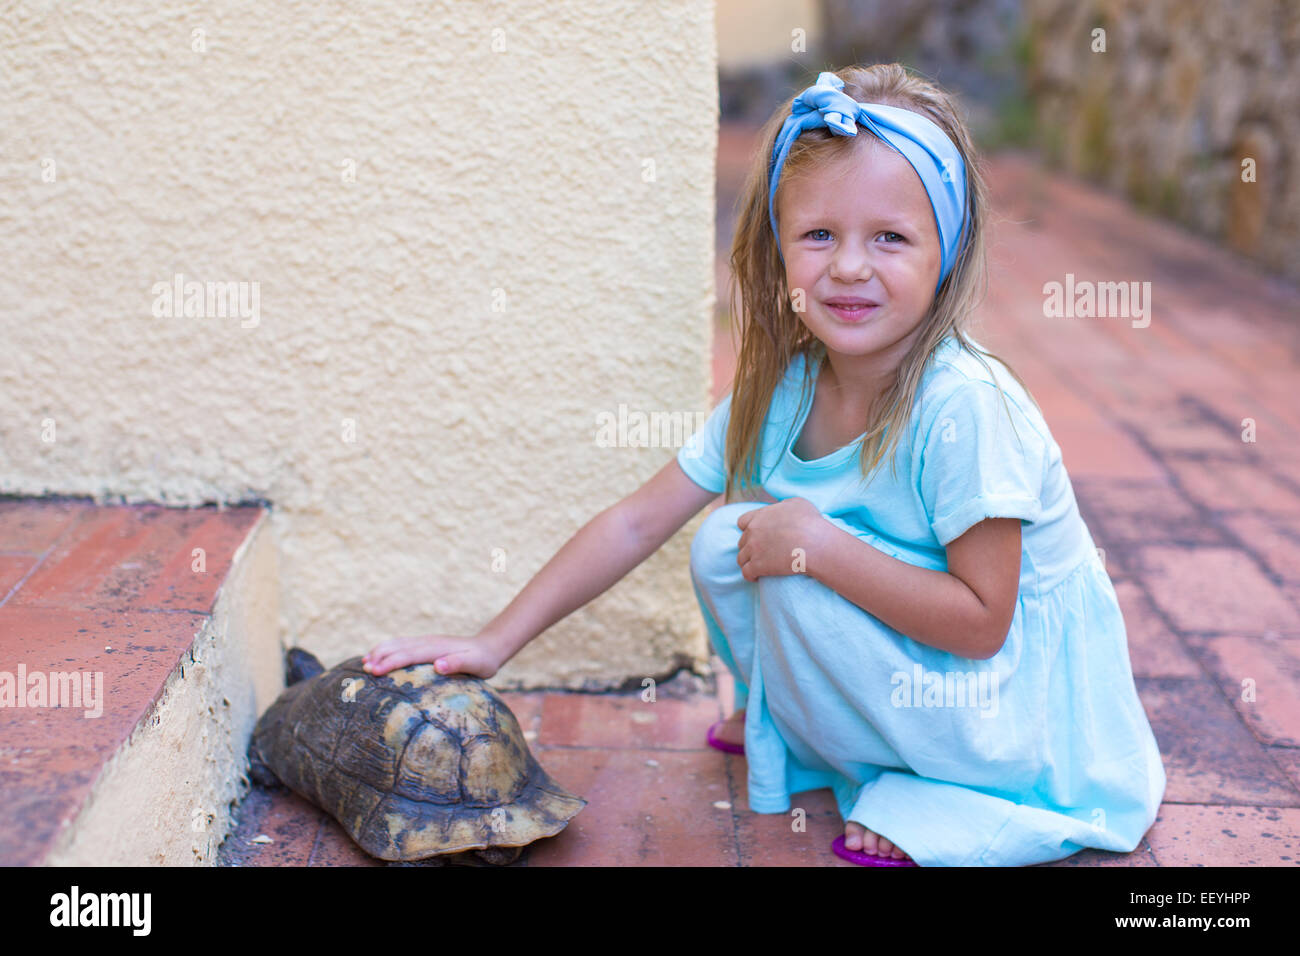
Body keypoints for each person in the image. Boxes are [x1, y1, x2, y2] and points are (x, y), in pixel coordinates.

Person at [364, 64, 1166, 868]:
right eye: (820, 235)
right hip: (917, 662)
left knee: (788, 554)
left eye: (890, 237)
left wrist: (820, 547)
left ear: (946, 254)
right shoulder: (787, 388)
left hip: (1006, 715)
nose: (849, 267)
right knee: (725, 542)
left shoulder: (965, 408)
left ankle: (943, 791)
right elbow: (641, 519)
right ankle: (798, 724)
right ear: (780, 249)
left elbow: (985, 623)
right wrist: (495, 642)